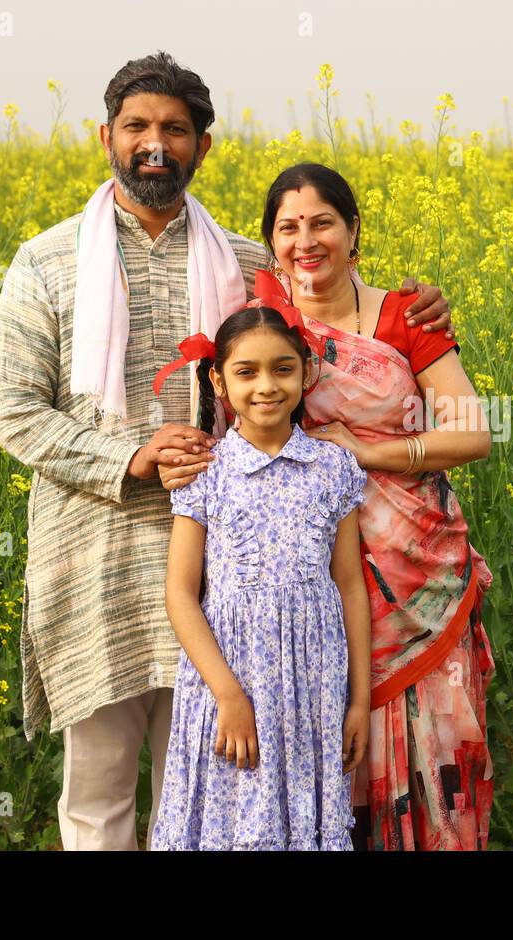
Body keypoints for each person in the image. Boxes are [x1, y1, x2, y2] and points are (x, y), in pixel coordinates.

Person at [0, 52, 454, 851]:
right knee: (98, 788)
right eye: (136, 127)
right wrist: (134, 457)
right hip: (93, 552)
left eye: (174, 129)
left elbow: (329, 303)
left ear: (203, 146)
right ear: (106, 137)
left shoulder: (248, 264)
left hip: (232, 569)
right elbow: (15, 414)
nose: (154, 144)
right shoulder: (47, 261)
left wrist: (417, 306)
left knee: (209, 787)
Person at [160, 163, 496, 850]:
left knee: (431, 750)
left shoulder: (404, 316)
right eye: (288, 228)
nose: (306, 241)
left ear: (353, 234)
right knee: (319, 761)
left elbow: (471, 431)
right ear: (270, 245)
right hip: (297, 600)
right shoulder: (259, 329)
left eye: (323, 223)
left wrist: (364, 452)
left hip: (415, 578)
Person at [150, 303, 369, 850]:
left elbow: (349, 585)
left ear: (306, 373)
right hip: (230, 681)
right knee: (229, 821)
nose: (266, 386)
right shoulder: (205, 472)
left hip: (313, 686)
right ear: (219, 382)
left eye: (283, 369)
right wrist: (229, 696)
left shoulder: (335, 467)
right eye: (246, 372)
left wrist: (359, 700)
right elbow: (180, 594)